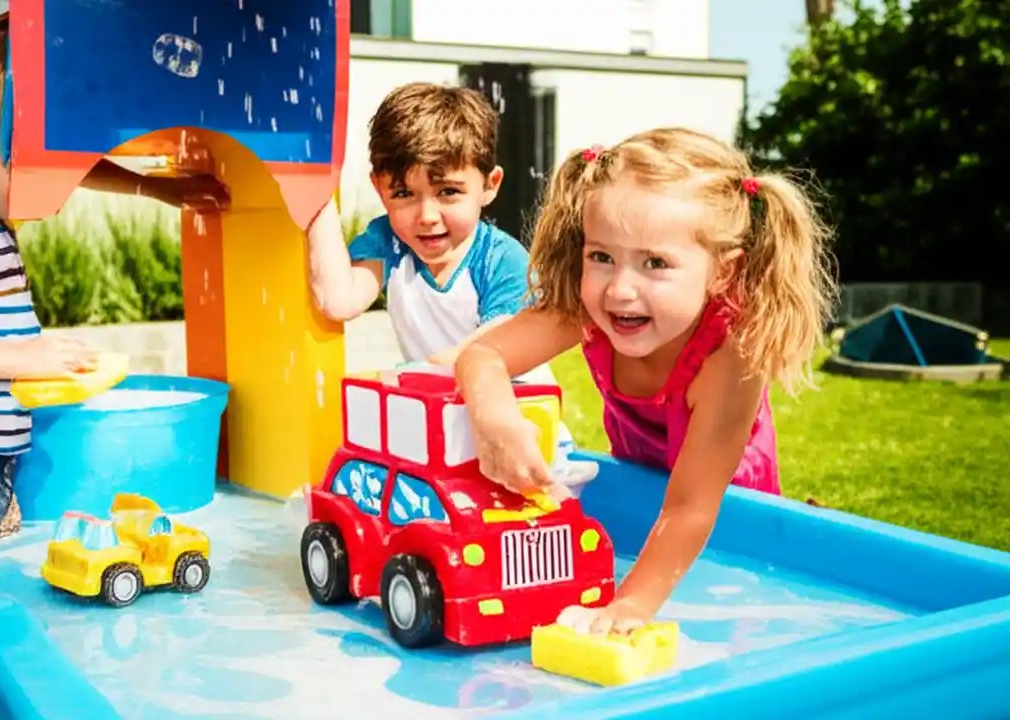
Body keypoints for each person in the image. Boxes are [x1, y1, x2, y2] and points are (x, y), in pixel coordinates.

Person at [454, 128, 836, 635]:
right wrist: (496, 417)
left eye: (655, 263)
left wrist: (629, 605)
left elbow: (691, 508)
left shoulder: (729, 354)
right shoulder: (588, 309)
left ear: (723, 272)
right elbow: (482, 355)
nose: (620, 288)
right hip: (644, 486)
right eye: (601, 256)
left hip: (728, 518)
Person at [0, 26, 224, 550]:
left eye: (43, 156)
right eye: (19, 157)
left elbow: (75, 165)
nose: (45, 174)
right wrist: (26, 355)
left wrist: (155, 185)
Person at [304, 81, 575, 459]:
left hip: (526, 435)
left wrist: (399, 379)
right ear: (379, 190)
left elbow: (477, 355)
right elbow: (339, 300)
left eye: (448, 192)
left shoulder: (500, 261)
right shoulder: (390, 242)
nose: (426, 217)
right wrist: (316, 196)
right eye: (403, 194)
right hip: (447, 432)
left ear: (490, 185)